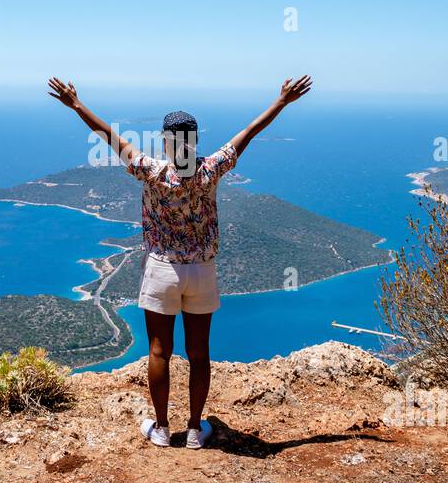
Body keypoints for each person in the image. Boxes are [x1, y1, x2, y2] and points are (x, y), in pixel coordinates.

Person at [47, 75, 313, 449]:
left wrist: (76, 106)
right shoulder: (209, 170)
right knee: (199, 352)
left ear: (166, 142)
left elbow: (109, 136)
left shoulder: (152, 170)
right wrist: (281, 101)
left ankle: (159, 428)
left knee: (159, 350)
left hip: (161, 271)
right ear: (195, 141)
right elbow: (249, 132)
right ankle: (192, 430)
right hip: (202, 270)